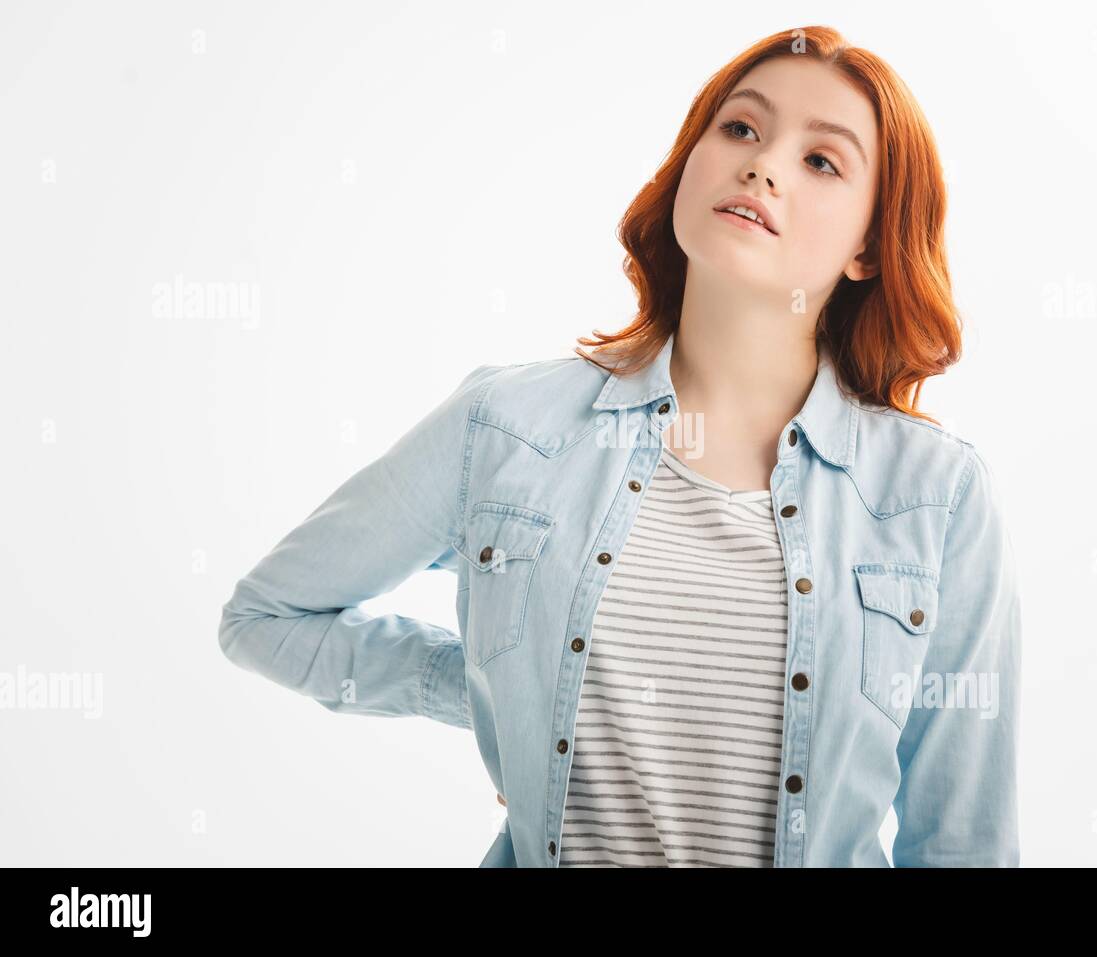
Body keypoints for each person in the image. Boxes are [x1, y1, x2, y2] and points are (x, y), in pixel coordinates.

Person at [218, 24, 1022, 868]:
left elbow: (963, 843)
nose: (763, 165)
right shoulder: (505, 426)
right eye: (740, 127)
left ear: (868, 245)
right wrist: (504, 702)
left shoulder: (940, 497)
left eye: (821, 160)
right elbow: (267, 616)